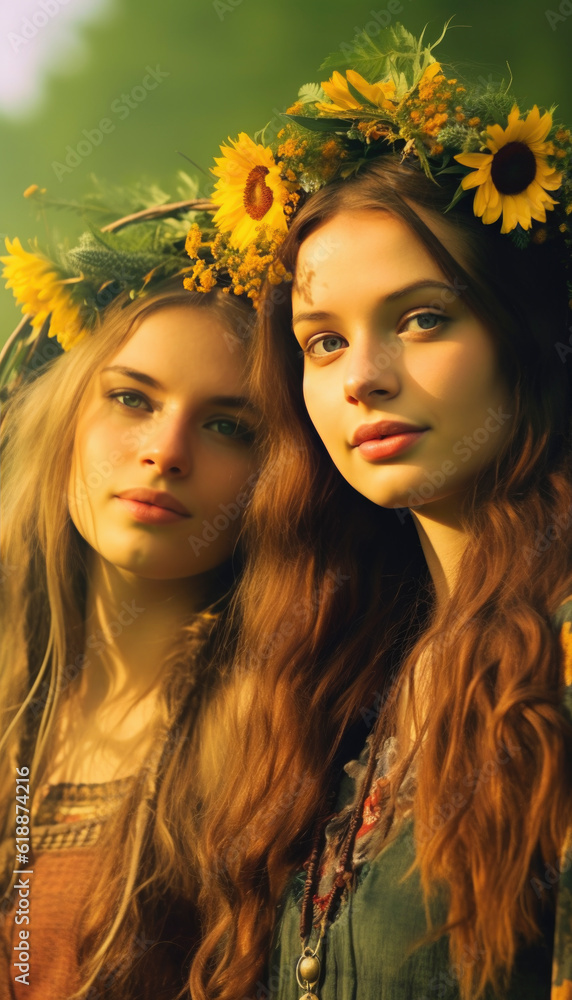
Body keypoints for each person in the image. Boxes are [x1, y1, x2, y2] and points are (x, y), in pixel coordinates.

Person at [183, 25, 572, 1000]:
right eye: (321, 341)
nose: (362, 378)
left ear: (521, 338)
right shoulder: (341, 681)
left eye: (420, 318)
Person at [0, 188, 259, 999]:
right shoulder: (15, 697)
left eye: (228, 426)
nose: (166, 451)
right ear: (66, 415)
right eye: (132, 398)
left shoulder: (273, 734)